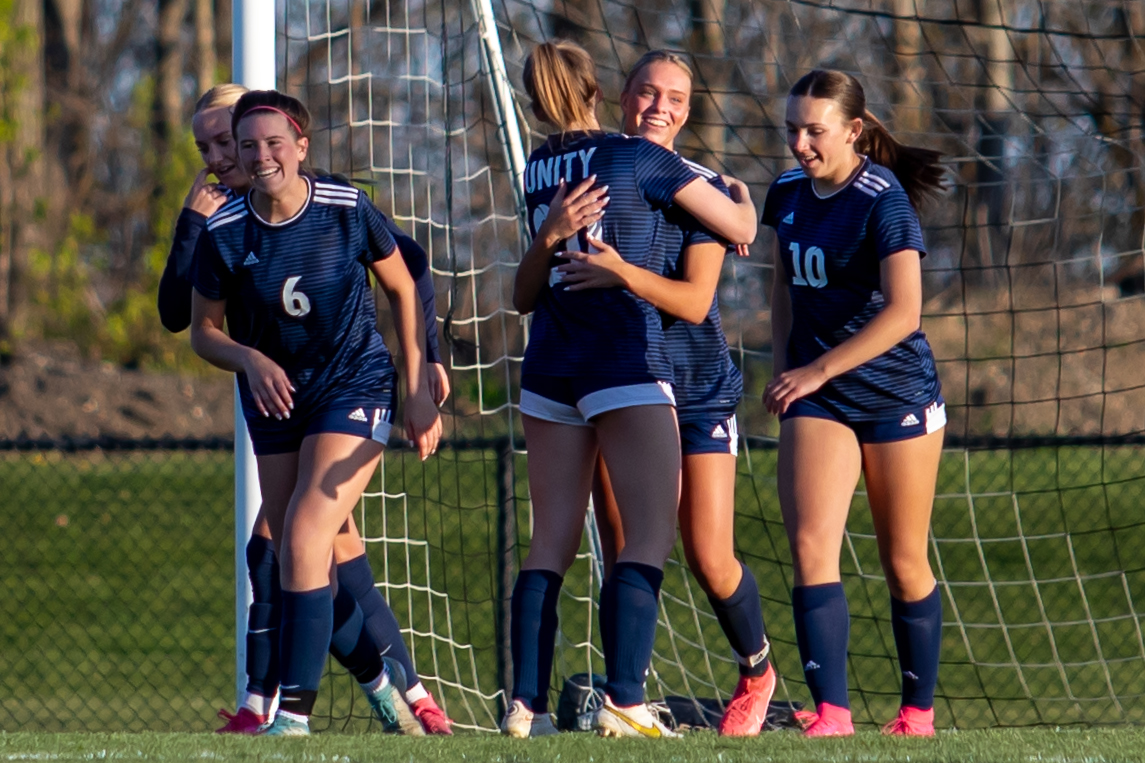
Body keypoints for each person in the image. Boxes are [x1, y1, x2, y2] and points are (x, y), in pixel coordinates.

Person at [159, 85, 455, 735]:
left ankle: (283, 711)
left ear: (296, 144)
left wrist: (421, 370)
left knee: (289, 543)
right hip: (276, 401)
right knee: (311, 555)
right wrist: (249, 357)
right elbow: (184, 319)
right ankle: (391, 686)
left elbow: (408, 275)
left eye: (231, 140)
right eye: (212, 145)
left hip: (349, 386)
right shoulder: (222, 227)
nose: (224, 156)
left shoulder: (339, 204)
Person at [504, 39, 756, 739]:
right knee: (647, 535)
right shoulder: (639, 158)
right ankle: (624, 697)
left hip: (550, 362)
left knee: (547, 540)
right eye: (649, 94)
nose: (659, 108)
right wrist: (738, 198)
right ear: (604, 90)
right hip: (620, 358)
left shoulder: (537, 166)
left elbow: (522, 294)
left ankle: (522, 707)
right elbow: (737, 226)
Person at [761, 69, 947, 737]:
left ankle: (915, 714)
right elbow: (782, 284)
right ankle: (832, 714)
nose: (799, 143)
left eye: (813, 130)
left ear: (852, 130)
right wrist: (786, 366)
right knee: (811, 543)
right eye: (791, 129)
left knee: (903, 559)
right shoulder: (783, 192)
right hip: (820, 396)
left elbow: (903, 312)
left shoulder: (882, 198)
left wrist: (815, 367)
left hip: (895, 394)